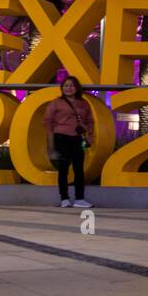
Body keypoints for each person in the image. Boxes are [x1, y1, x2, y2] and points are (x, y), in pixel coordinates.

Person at [43, 75, 95, 209]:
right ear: (62, 88)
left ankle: (79, 199)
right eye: (66, 86)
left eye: (71, 86)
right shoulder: (56, 103)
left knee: (79, 169)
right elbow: (48, 121)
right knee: (63, 169)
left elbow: (90, 120)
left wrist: (90, 135)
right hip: (61, 137)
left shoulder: (84, 103)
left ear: (77, 88)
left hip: (78, 138)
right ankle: (64, 199)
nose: (68, 88)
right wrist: (51, 141)